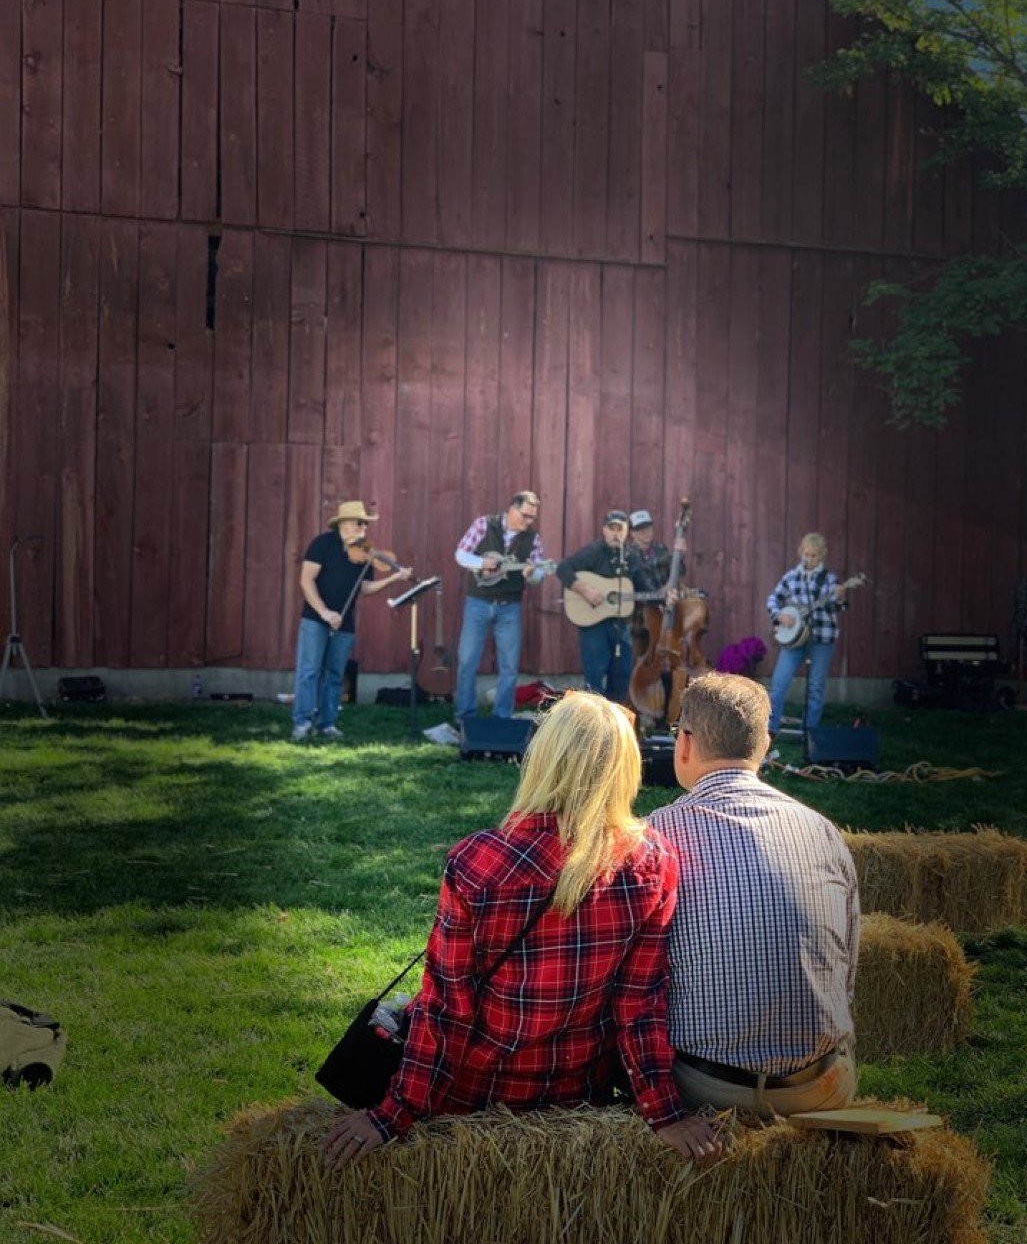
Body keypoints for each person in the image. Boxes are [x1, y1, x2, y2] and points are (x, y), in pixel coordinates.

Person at [323, 692, 719, 1169]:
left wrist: (391, 1115)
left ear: (543, 758)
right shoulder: (653, 864)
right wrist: (665, 1114)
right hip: (578, 1097)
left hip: (475, 1096)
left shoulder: (478, 861)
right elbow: (640, 1006)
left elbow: (447, 1008)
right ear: (626, 769)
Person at [647, 671, 859, 1116]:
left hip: (707, 1088)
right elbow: (847, 968)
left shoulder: (658, 833)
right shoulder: (822, 831)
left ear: (684, 742)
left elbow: (637, 976)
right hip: (818, 1085)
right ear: (764, 745)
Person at [291, 500, 411, 741]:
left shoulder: (364, 552)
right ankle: (302, 724)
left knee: (335, 674)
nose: (364, 530)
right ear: (344, 524)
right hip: (316, 618)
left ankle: (327, 724)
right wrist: (324, 612)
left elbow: (365, 588)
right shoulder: (322, 544)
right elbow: (306, 580)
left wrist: (393, 579)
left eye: (365, 525)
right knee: (309, 671)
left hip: (345, 622)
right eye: (360, 524)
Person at [453, 491, 551, 726]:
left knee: (509, 665)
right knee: (467, 660)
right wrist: (482, 563)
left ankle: (502, 718)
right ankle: (465, 717)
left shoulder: (533, 539)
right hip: (478, 602)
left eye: (532, 518)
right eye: (525, 516)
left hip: (510, 606)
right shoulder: (484, 525)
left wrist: (533, 574)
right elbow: (460, 554)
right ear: (512, 508)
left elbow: (539, 575)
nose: (529, 522)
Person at [765, 533, 848, 739]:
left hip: (821, 638)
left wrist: (840, 596)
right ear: (800, 552)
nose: (808, 559)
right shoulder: (792, 577)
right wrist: (780, 615)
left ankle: (810, 733)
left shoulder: (830, 580)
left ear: (822, 555)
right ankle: (770, 730)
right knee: (779, 683)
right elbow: (773, 599)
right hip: (794, 639)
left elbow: (840, 606)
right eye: (806, 554)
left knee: (816, 687)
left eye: (813, 555)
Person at [556, 511, 641, 703]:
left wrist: (664, 596)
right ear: (604, 530)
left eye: (620, 529)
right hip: (594, 625)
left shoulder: (632, 557)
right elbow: (563, 568)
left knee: (622, 676)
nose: (616, 534)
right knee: (594, 677)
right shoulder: (594, 552)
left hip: (622, 627)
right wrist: (584, 589)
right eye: (612, 529)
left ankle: (614, 726)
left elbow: (645, 587)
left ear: (627, 532)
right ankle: (592, 724)